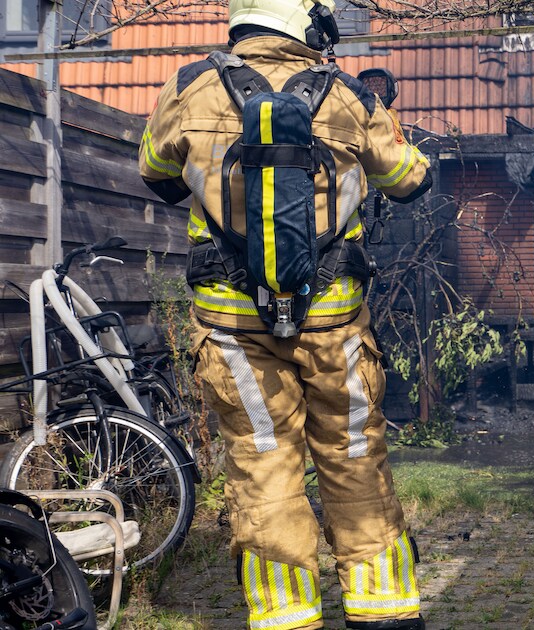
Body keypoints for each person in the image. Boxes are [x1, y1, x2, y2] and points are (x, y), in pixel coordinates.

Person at [138, 0, 431, 627]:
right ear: (308, 25)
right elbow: (410, 177)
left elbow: (155, 170)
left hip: (233, 326)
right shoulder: (347, 95)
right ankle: (383, 607)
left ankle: (287, 615)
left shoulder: (190, 87)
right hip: (333, 320)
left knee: (265, 462)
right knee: (353, 451)